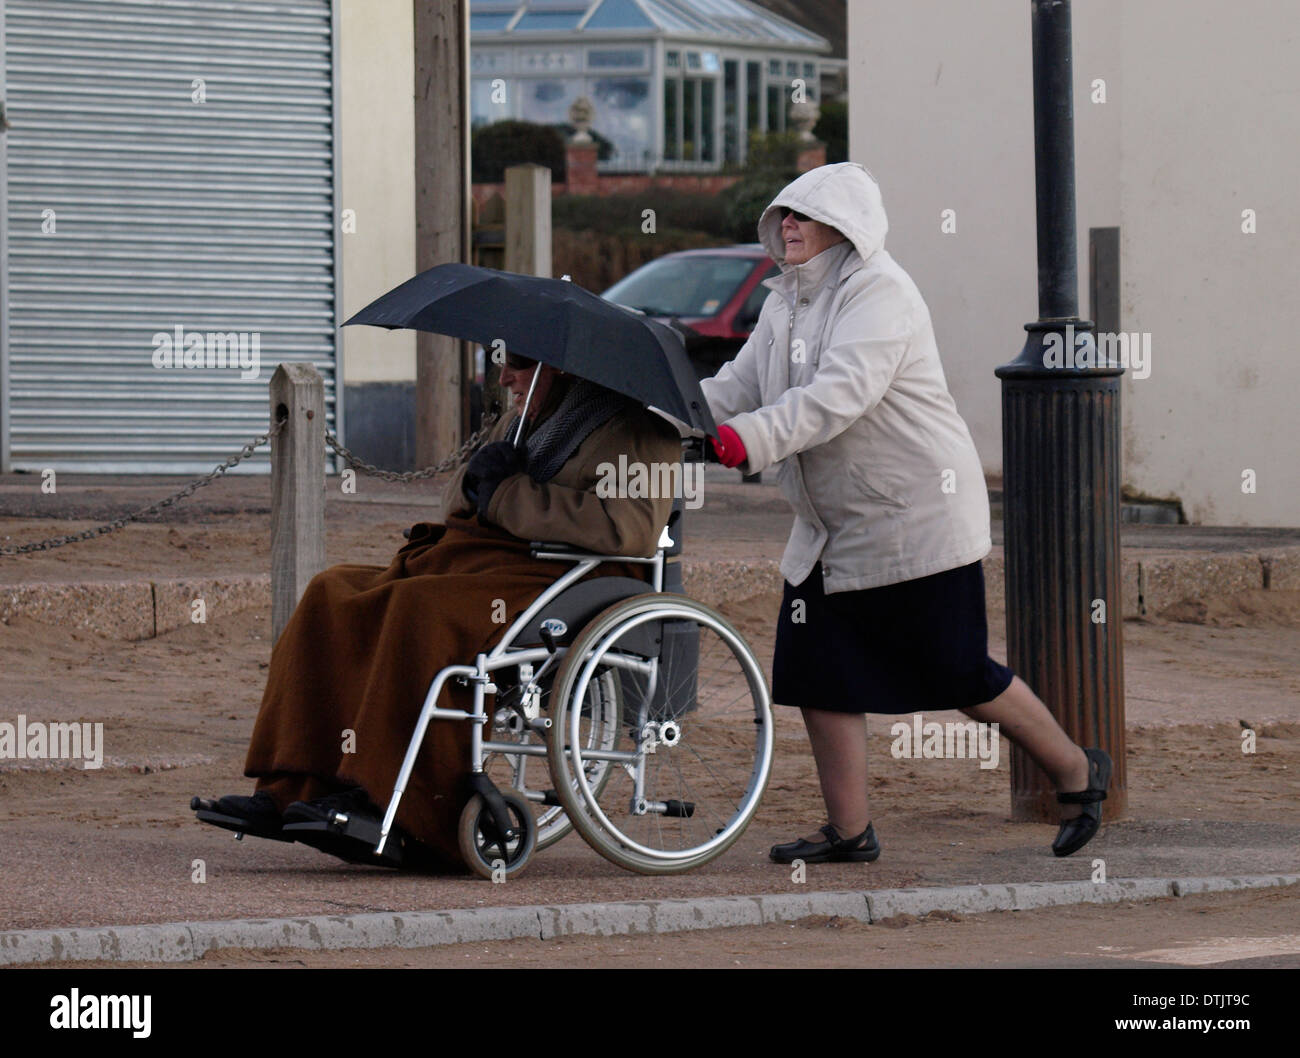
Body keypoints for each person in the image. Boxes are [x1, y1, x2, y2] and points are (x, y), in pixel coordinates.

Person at [701, 162, 1111, 864]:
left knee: (959, 674)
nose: (788, 224)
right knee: (816, 677)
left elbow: (840, 393)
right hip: (829, 530)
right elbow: (736, 386)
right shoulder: (783, 302)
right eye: (783, 215)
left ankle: (1077, 772)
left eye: (804, 215)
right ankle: (851, 832)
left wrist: (748, 440)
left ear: (846, 227)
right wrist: (666, 417)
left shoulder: (881, 293)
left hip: (916, 521)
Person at [203, 353, 681, 867]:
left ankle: (397, 805)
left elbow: (628, 530)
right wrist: (482, 481)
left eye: (519, 365)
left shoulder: (640, 434)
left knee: (420, 609)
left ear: (560, 366)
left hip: (564, 578)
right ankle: (291, 786)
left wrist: (511, 494)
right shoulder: (520, 421)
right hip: (480, 561)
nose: (503, 378)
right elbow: (458, 500)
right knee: (332, 592)